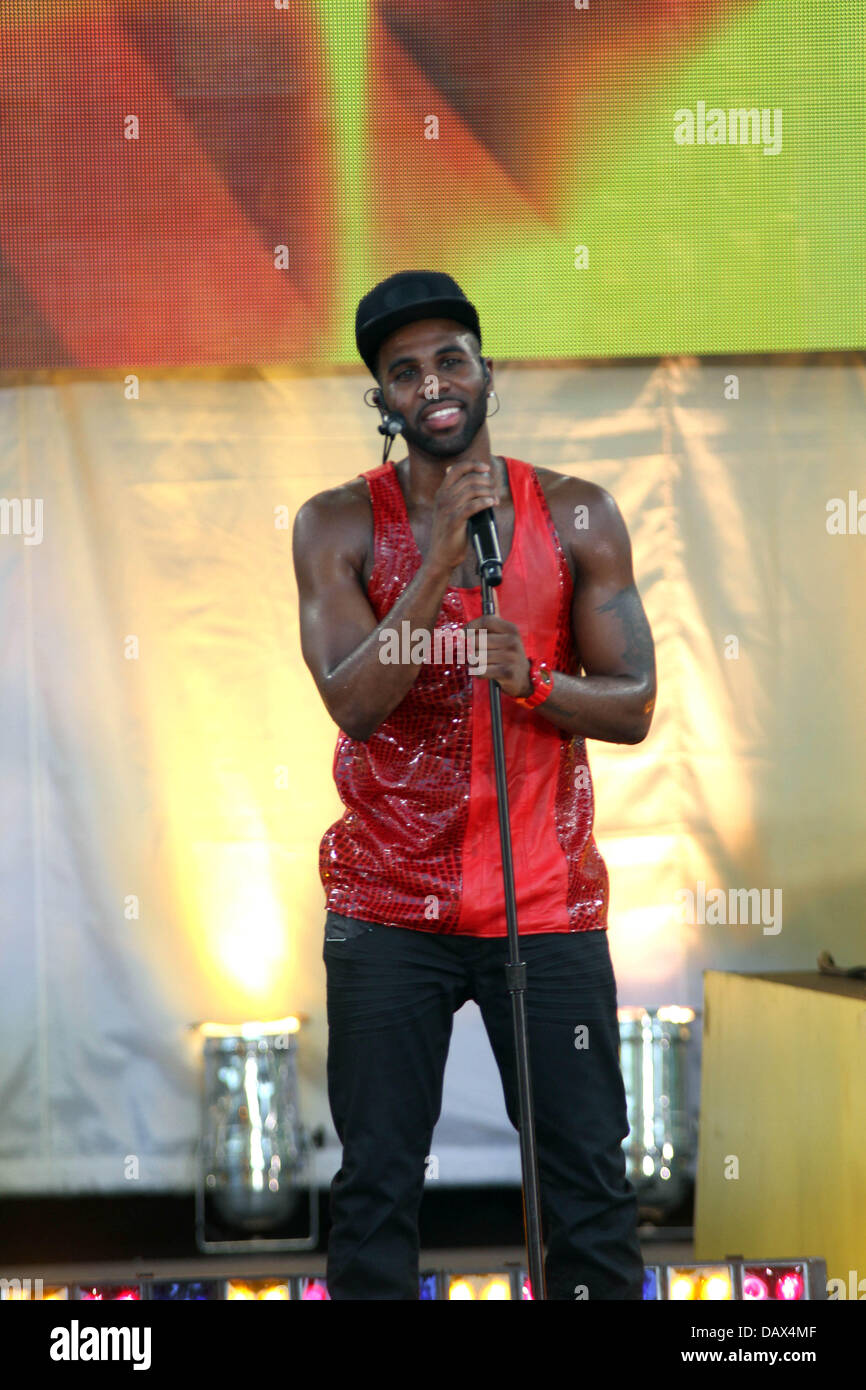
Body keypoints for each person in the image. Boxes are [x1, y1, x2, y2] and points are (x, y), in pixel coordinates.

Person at [292, 271, 657, 1300]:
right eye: (403, 373)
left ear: (484, 369)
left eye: (449, 357)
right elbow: (353, 702)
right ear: (384, 402)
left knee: (585, 1184)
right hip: (386, 912)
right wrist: (439, 547)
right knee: (374, 1192)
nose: (432, 384)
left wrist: (533, 681)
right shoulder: (335, 526)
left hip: (544, 908)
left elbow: (632, 704)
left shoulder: (578, 514)